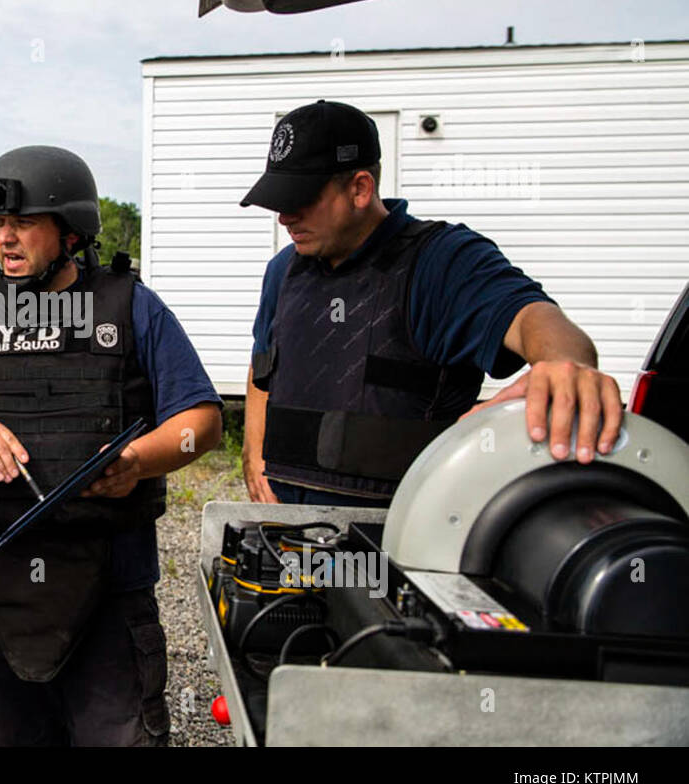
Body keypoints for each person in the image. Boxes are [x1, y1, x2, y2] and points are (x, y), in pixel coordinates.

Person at [0, 145, 222, 747]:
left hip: (110, 584)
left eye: (21, 224)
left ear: (69, 232)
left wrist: (137, 461)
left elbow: (201, 420)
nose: (4, 239)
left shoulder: (129, 306)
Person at [240, 99, 625, 507]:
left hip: (401, 538)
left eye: (300, 199)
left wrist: (565, 364)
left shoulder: (441, 262)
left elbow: (532, 315)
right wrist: (252, 450)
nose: (284, 217)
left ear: (359, 189)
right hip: (284, 536)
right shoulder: (284, 271)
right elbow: (264, 365)